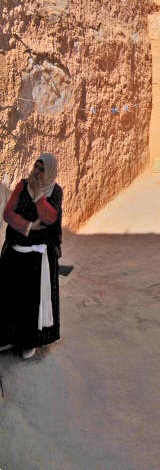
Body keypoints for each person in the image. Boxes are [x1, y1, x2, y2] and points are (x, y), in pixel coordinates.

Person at [0, 153, 63, 359]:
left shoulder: (55, 192)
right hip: (15, 254)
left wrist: (37, 195)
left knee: (31, 303)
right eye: (36, 166)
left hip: (38, 260)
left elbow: (49, 218)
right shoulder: (21, 185)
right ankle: (10, 337)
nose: (36, 171)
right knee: (11, 298)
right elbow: (8, 213)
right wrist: (28, 225)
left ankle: (30, 341)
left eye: (42, 168)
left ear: (50, 172)